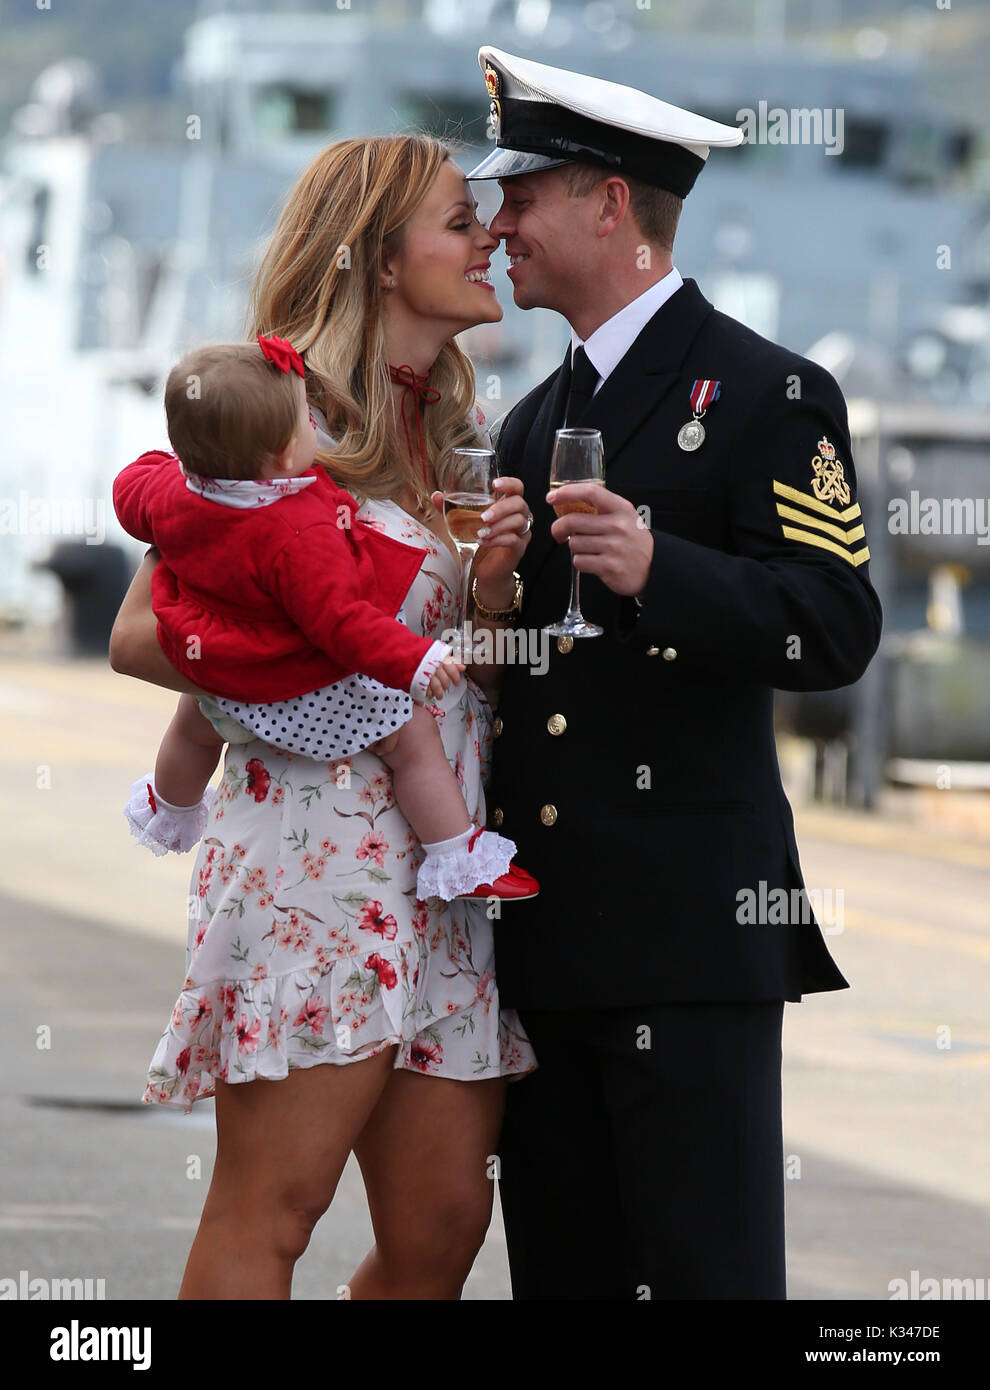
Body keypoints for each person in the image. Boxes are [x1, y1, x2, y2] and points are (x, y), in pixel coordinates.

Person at [465, 47, 883, 1299]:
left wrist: (661, 569)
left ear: (609, 204)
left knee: (709, 1277)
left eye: (523, 197)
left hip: (691, 938)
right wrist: (491, 603)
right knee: (565, 1279)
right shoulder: (532, 420)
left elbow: (837, 624)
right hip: (548, 937)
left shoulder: (768, 393)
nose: (499, 226)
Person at [108, 134, 538, 1300]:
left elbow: (468, 681)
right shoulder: (266, 411)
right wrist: (323, 675)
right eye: (462, 218)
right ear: (384, 260)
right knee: (274, 1211)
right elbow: (141, 636)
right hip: (312, 863)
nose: (491, 233)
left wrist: (493, 590)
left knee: (445, 1220)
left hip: (445, 866)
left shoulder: (451, 430)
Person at [114, 332, 537, 905]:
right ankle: (456, 852)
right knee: (408, 735)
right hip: (300, 678)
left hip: (214, 658)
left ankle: (169, 806)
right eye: (304, 424)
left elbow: (130, 488)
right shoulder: (298, 534)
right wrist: (416, 659)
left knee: (196, 723)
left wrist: (168, 466)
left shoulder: (174, 493)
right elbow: (343, 622)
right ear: (284, 454)